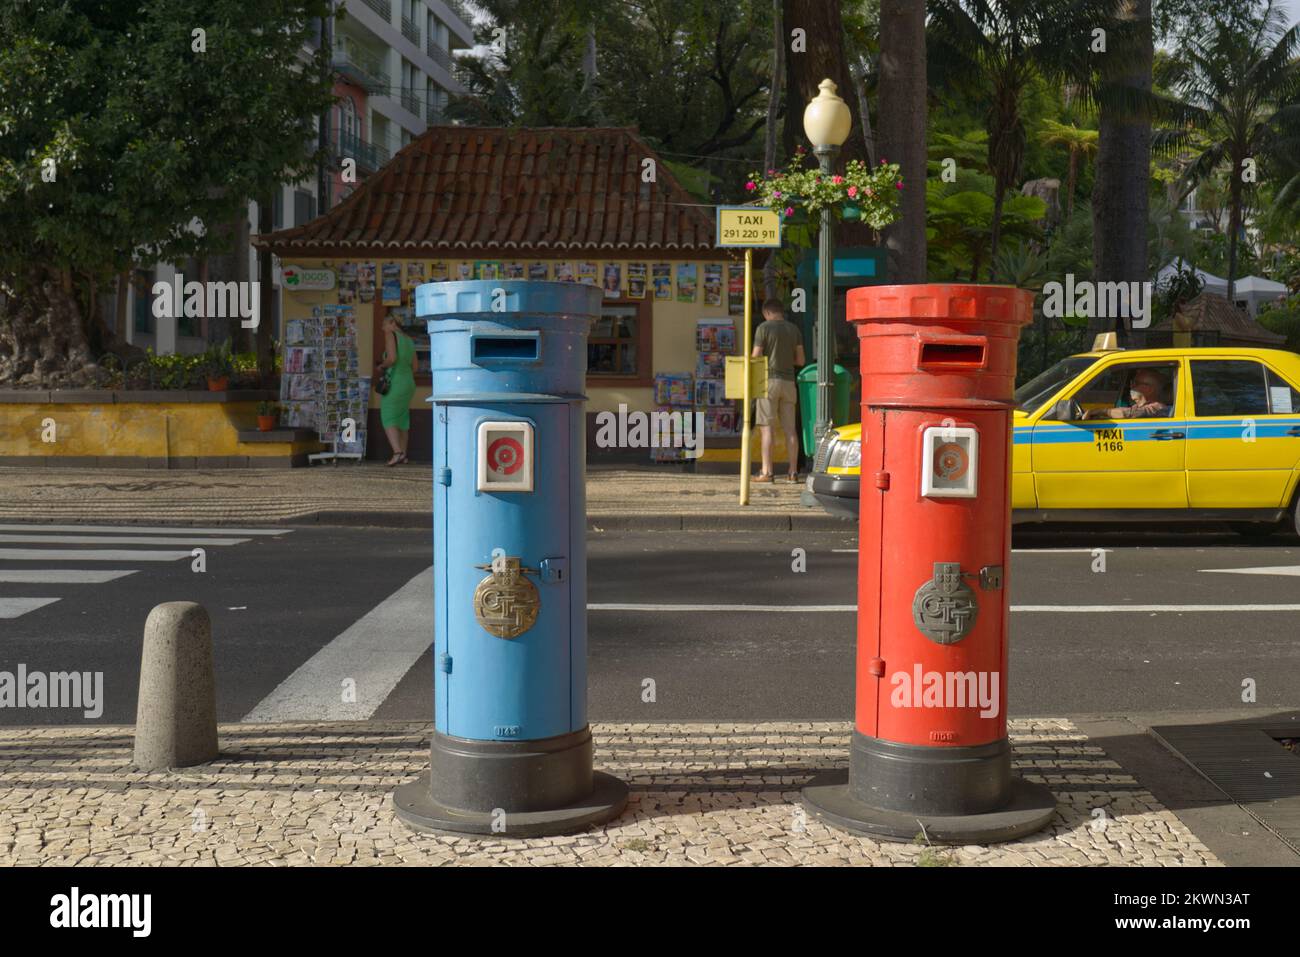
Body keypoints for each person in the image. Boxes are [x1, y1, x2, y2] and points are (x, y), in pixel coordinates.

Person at [751, 298, 805, 483]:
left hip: (768, 382)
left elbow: (756, 357)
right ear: (781, 311)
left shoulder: (763, 328)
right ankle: (793, 472)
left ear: (766, 313)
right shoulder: (794, 330)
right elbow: (801, 361)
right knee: (791, 430)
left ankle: (767, 472)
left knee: (767, 429)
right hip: (789, 383)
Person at [377, 314, 417, 465]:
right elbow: (415, 367)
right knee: (402, 420)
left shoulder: (390, 334)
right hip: (408, 383)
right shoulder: (409, 340)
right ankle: (404, 455)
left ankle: (397, 452)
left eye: (384, 324)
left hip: (395, 382)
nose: (382, 328)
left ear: (392, 323)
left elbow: (392, 358)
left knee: (388, 417)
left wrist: (381, 365)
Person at [1083, 367, 1171, 419]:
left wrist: (1100, 411)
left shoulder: (1158, 407)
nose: (1131, 386)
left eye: (1136, 383)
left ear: (1149, 389)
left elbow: (1128, 414)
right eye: (1131, 382)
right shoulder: (1139, 406)